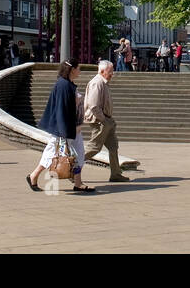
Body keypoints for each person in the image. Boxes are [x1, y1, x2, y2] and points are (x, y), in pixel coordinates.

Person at [28, 61, 95, 192]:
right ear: (72, 69)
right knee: (53, 153)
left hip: (71, 128)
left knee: (78, 153)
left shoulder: (66, 84)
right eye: (78, 68)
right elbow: (61, 109)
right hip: (65, 129)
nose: (80, 71)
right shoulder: (64, 85)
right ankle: (34, 175)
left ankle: (78, 182)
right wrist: (64, 130)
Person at [84, 60, 128, 182]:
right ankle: (72, 166)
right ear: (102, 71)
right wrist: (104, 120)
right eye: (110, 71)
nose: (112, 74)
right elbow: (93, 106)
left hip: (106, 120)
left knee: (113, 146)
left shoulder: (103, 82)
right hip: (100, 121)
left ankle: (116, 173)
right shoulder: (97, 83)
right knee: (94, 147)